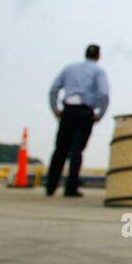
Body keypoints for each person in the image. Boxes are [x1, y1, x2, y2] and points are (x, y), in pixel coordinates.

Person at [46, 44, 110, 198]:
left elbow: (54, 88)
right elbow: (104, 94)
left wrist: (55, 108)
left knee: (60, 149)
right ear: (98, 56)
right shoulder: (98, 72)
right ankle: (70, 187)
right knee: (77, 151)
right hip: (84, 112)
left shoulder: (69, 68)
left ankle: (50, 186)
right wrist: (100, 114)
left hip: (67, 110)